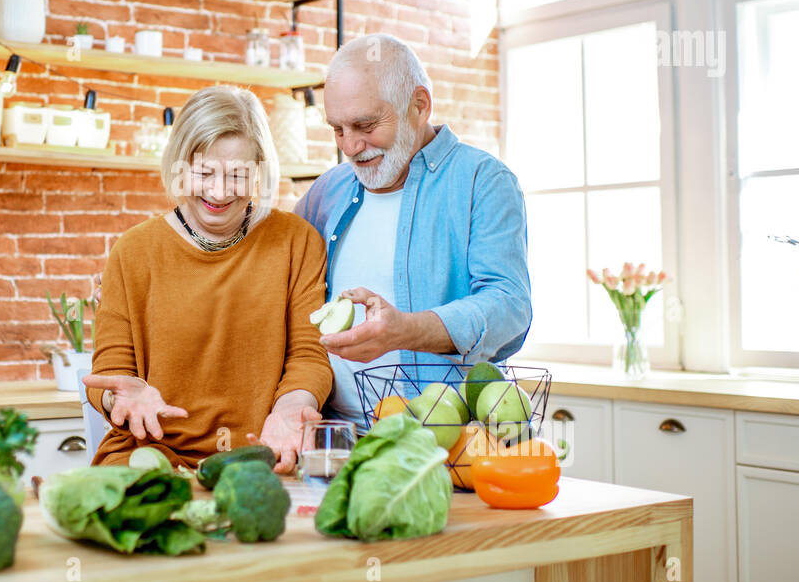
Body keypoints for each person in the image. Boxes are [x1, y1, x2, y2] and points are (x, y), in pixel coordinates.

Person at [82, 86, 332, 473]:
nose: (218, 192)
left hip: (264, 453)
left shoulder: (296, 242)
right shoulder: (133, 251)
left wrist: (291, 409)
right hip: (151, 455)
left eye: (237, 175)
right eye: (204, 173)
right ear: (180, 166)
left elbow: (308, 354)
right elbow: (112, 370)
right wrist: (122, 401)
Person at [295, 33, 532, 428]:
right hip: (333, 434)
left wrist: (407, 330)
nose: (350, 146)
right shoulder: (327, 191)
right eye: (337, 129)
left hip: (443, 439)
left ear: (419, 105)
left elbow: (509, 306)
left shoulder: (482, 181)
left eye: (365, 124)